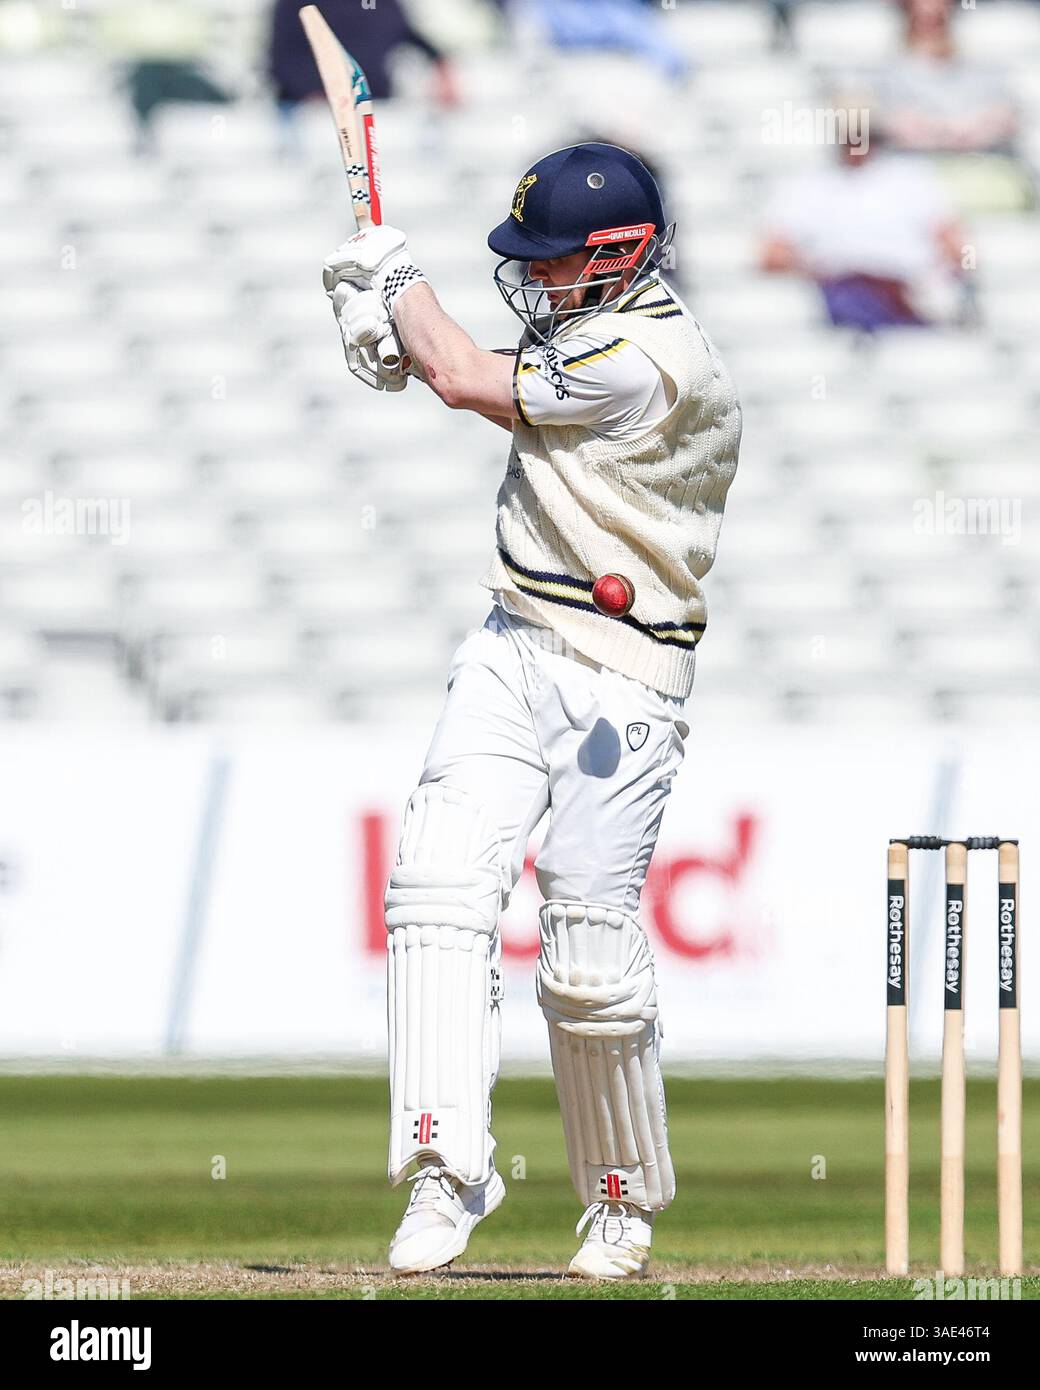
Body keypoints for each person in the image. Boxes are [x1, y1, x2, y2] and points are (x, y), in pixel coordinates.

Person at [322, 144, 741, 1279]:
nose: (538, 282)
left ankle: (617, 1199)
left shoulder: (646, 356)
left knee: (588, 957)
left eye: (554, 266)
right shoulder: (584, 333)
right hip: (515, 639)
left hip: (625, 672)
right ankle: (443, 1167)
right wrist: (396, 338)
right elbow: (473, 373)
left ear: (619, 254)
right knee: (436, 885)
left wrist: (392, 282)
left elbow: (470, 379)